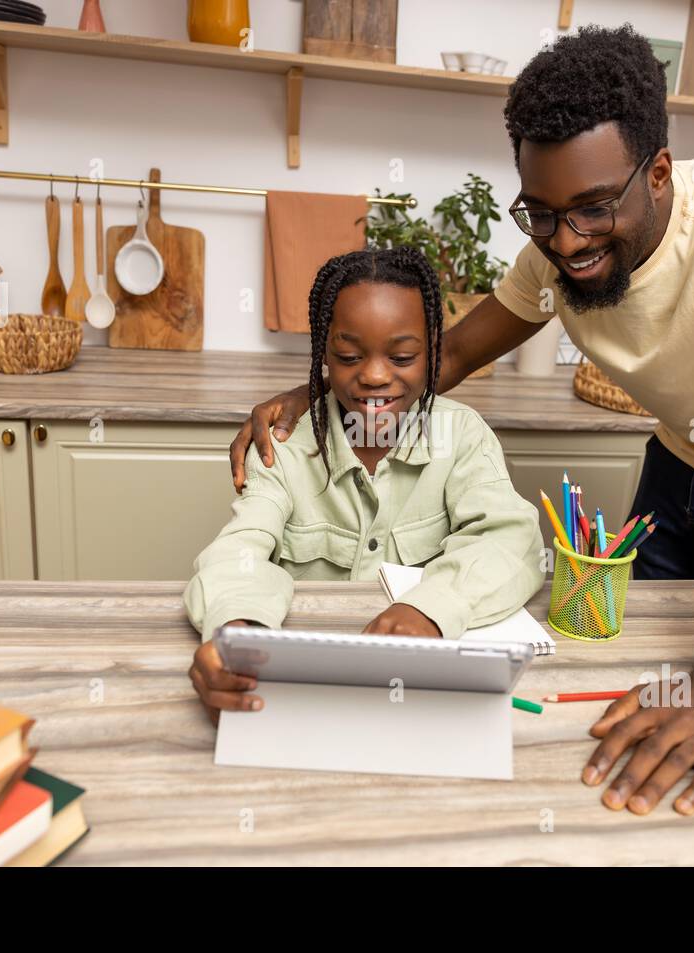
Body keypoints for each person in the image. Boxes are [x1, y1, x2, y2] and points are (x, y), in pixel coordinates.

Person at [227, 26, 694, 815]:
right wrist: (319, 392)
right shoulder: (556, 250)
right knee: (626, 651)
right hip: (682, 457)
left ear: (661, 173)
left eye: (593, 211)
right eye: (540, 213)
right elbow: (457, 352)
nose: (566, 243)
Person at [185, 247, 544, 724]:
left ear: (433, 350)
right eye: (349, 356)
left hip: (419, 694)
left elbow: (511, 540)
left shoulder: (461, 436)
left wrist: (434, 609)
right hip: (306, 693)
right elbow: (241, 548)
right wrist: (236, 627)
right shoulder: (283, 446)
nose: (374, 375)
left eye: (402, 356)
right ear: (323, 351)